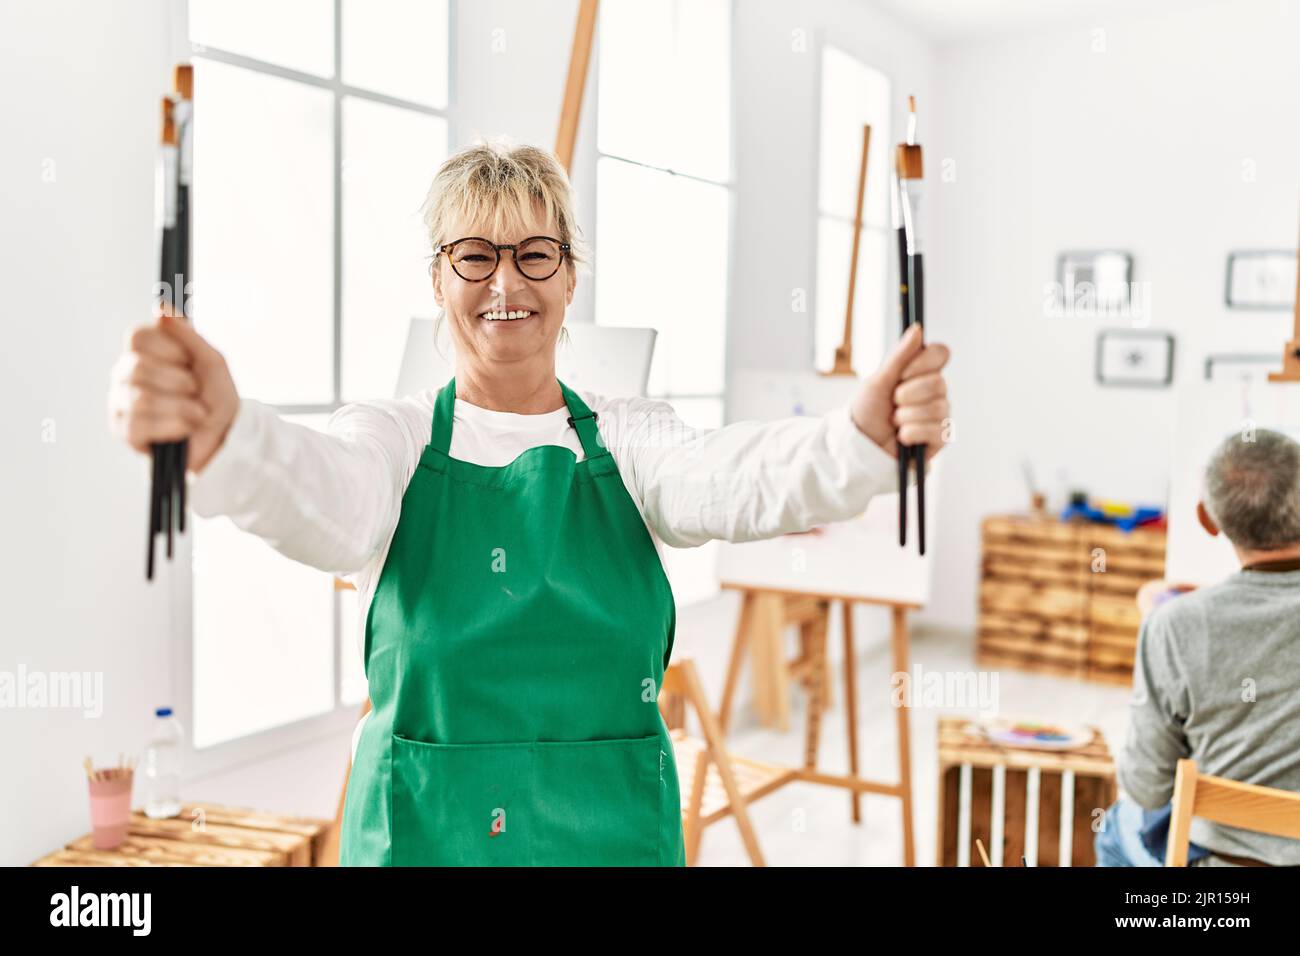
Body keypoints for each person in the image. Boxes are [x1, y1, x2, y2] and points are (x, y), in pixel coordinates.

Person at [108, 141, 952, 866]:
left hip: (609, 836)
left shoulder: (629, 439)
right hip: (422, 837)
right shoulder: (391, 440)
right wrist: (224, 436)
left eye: (533, 254)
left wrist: (859, 441)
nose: (505, 281)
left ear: (570, 276)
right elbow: (325, 500)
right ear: (439, 279)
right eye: (474, 255)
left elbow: (732, 477)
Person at [1098, 427, 1300, 867]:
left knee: (1115, 827)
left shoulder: (1175, 626)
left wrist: (1168, 626)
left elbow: (1147, 785)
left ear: (1207, 520)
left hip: (1224, 866)